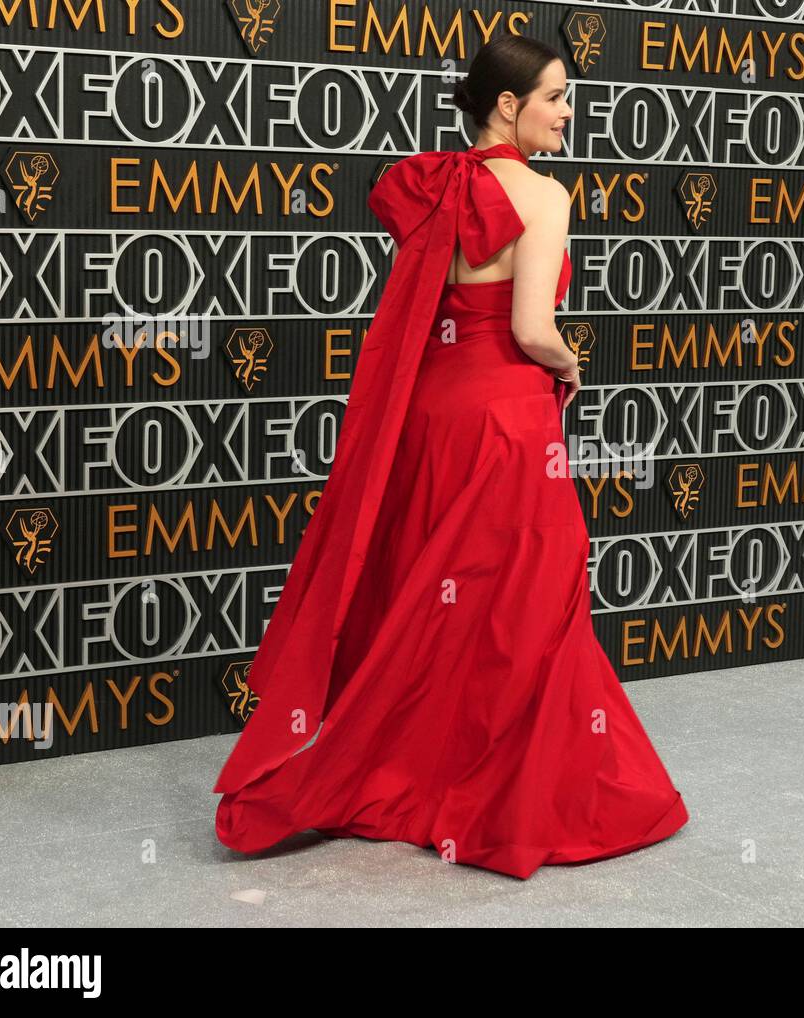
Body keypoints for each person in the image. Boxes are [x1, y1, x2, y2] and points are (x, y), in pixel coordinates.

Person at [211, 35, 690, 880]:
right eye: (556, 96)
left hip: (433, 417)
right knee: (522, 606)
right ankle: (497, 795)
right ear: (508, 106)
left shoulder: (434, 183)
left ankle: (400, 771)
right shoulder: (545, 197)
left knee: (431, 595)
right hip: (507, 422)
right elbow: (531, 330)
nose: (568, 112)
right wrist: (571, 362)